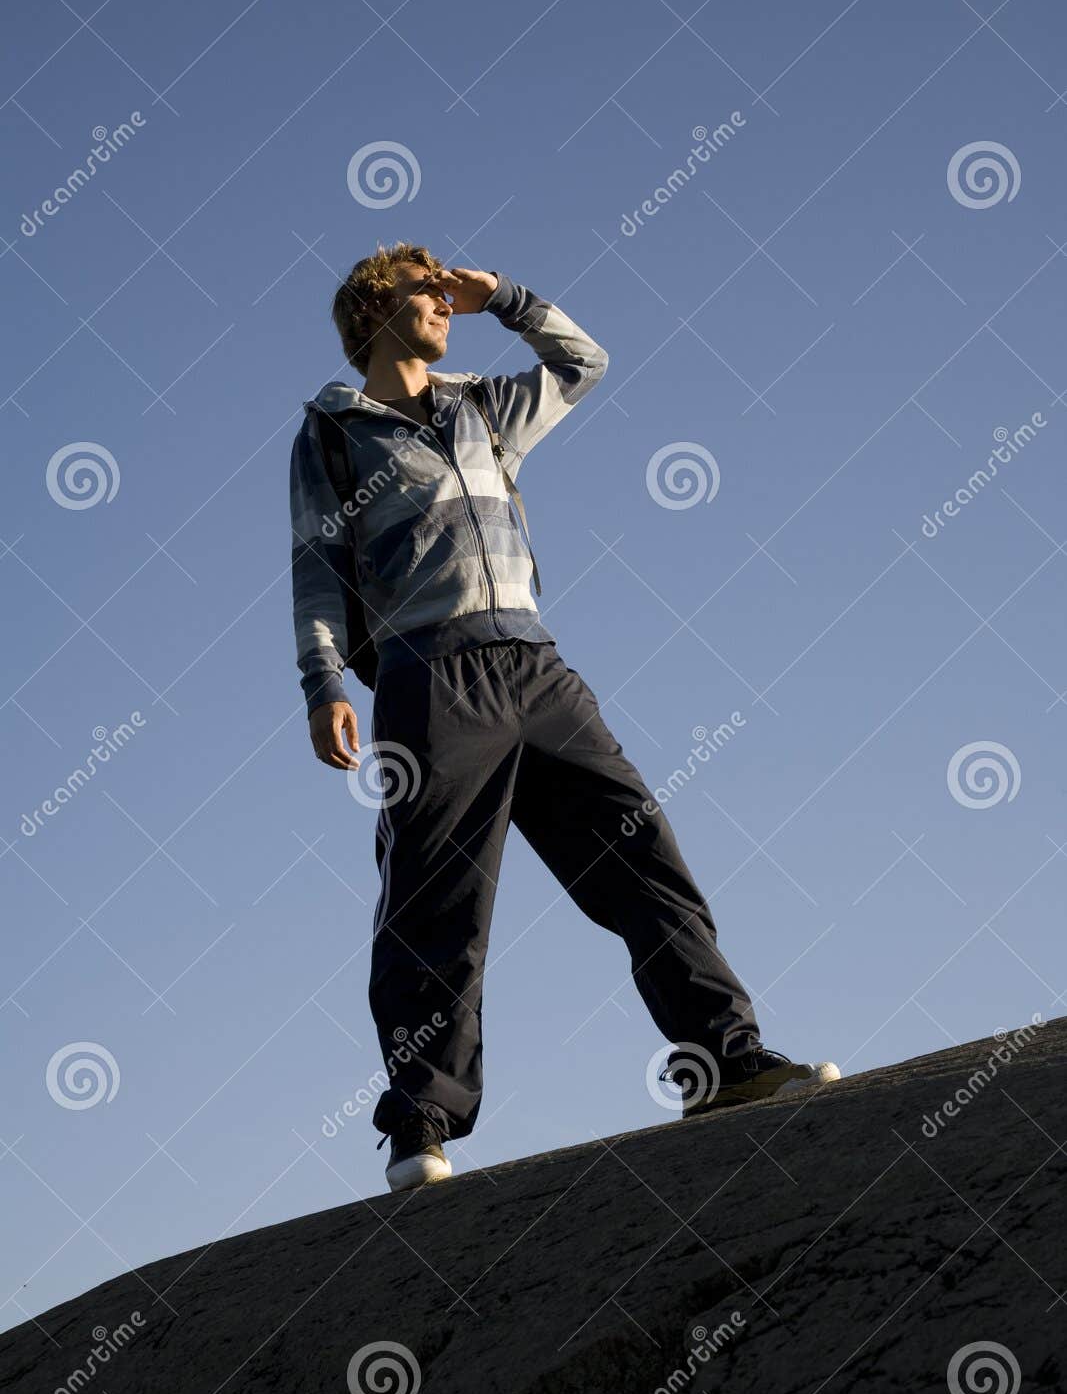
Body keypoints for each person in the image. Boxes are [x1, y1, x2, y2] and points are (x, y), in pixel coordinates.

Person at [289, 242, 838, 1192]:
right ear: (374, 311)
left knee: (642, 859)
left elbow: (583, 362)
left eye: (444, 293)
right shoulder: (334, 434)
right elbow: (316, 569)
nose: (442, 303)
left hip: (537, 668)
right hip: (427, 679)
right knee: (436, 903)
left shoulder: (480, 405)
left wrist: (499, 294)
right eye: (425, 292)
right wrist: (324, 681)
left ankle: (723, 1063)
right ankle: (422, 1120)